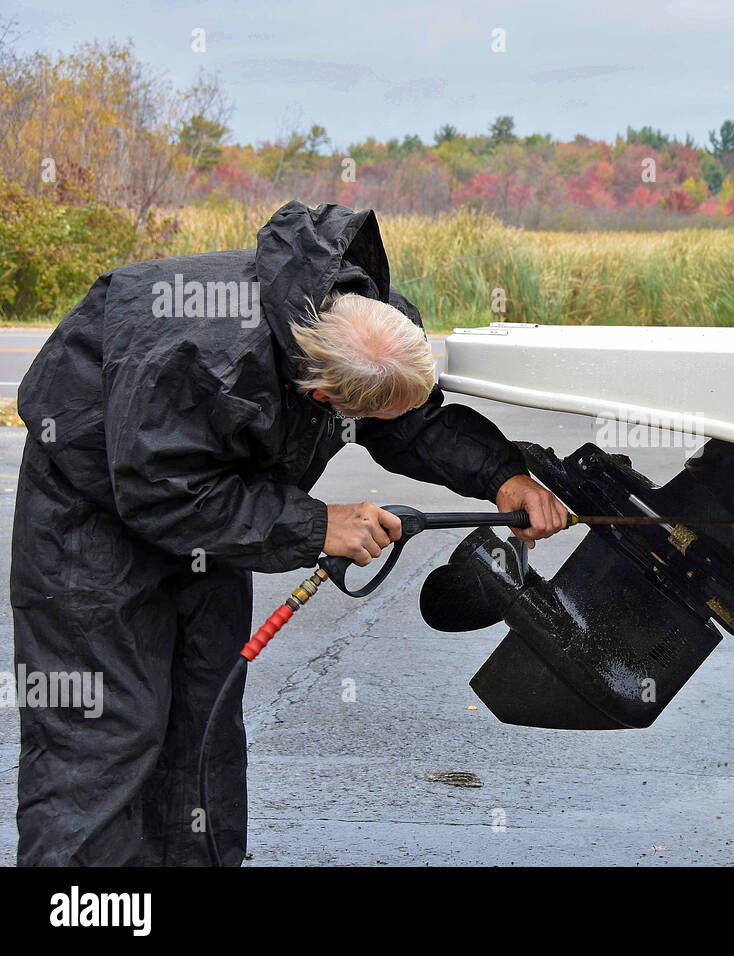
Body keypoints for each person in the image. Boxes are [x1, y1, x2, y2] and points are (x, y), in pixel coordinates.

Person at [10, 200, 568, 865]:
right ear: (321, 397)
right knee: (105, 730)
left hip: (215, 498)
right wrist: (316, 524)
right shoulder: (201, 357)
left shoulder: (370, 323)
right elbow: (162, 491)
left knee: (202, 714)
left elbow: (409, 417)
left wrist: (503, 475)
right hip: (96, 511)